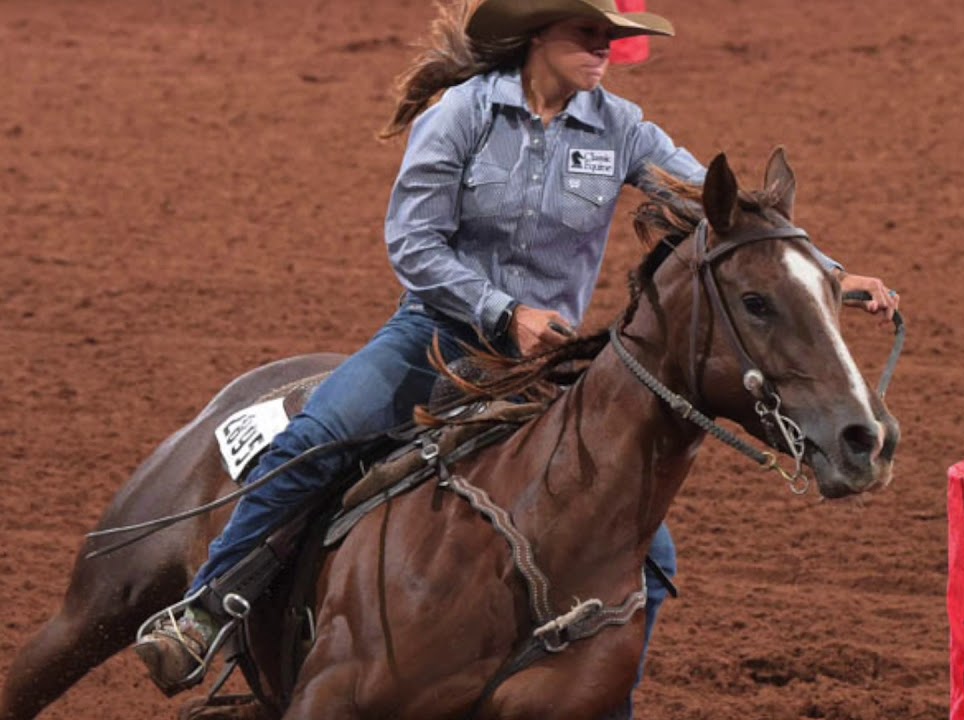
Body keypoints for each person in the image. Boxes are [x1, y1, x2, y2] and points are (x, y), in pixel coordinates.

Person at [133, 0, 901, 712]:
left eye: (610, 35)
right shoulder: (462, 116)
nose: (606, 47)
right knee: (313, 442)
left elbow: (725, 207)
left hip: (550, 365)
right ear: (540, 36)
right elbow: (414, 243)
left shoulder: (622, 129)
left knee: (649, 560)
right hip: (437, 337)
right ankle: (207, 609)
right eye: (587, 34)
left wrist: (828, 274)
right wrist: (505, 311)